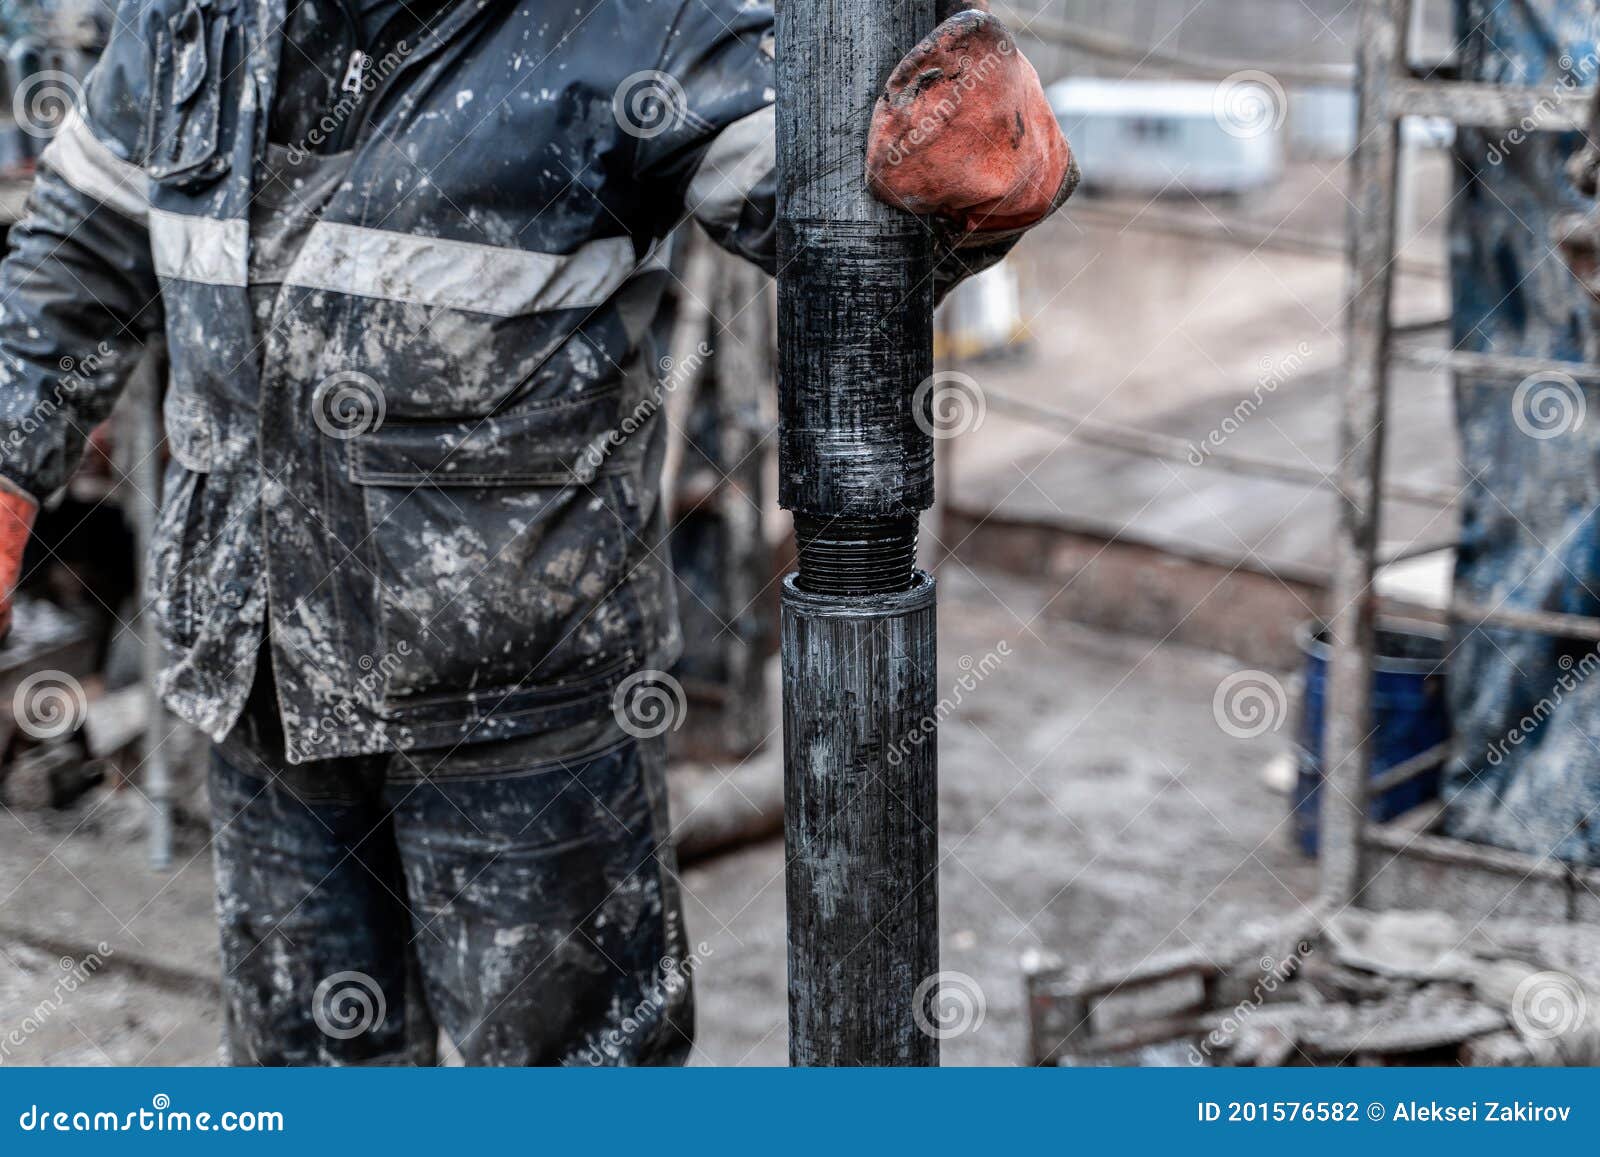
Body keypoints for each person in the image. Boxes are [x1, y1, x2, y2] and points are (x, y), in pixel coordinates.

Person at [0, 0, 1074, 1063]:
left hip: (521, 712)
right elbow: (82, 249)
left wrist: (965, 171)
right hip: (256, 678)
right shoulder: (192, 17)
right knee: (308, 1074)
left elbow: (858, 221)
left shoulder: (634, 26)